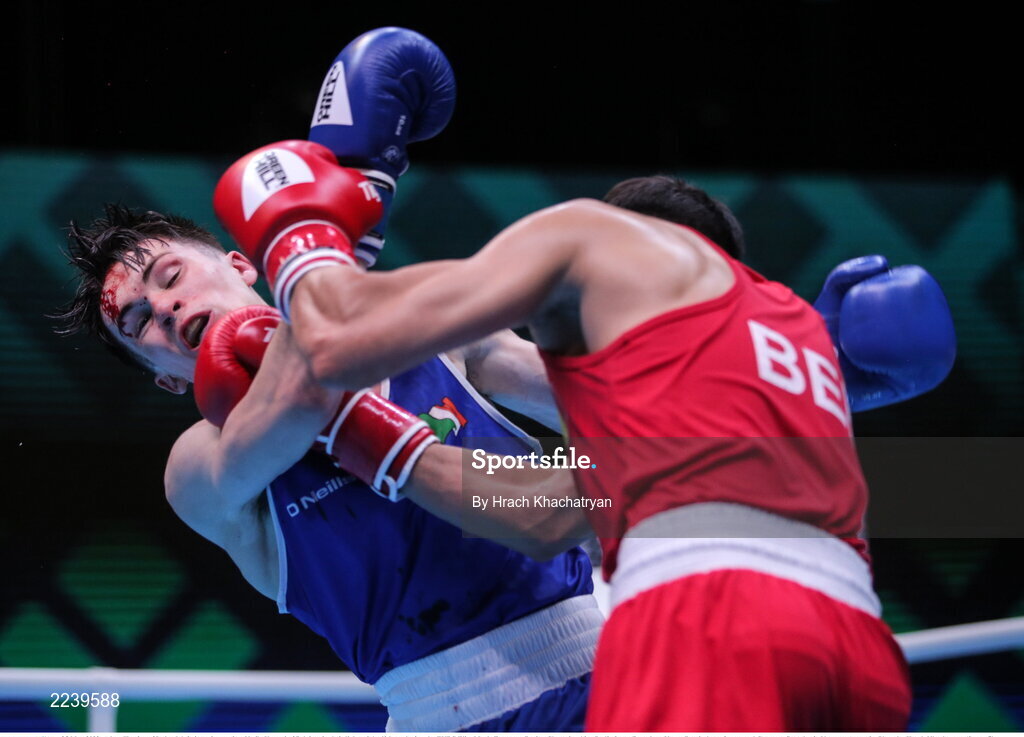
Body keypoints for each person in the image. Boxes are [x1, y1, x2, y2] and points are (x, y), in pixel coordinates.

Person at [210, 139, 956, 730]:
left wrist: (306, 229)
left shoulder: (593, 242)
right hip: (856, 645)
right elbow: (583, 467)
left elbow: (341, 337)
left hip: (709, 620)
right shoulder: (786, 324)